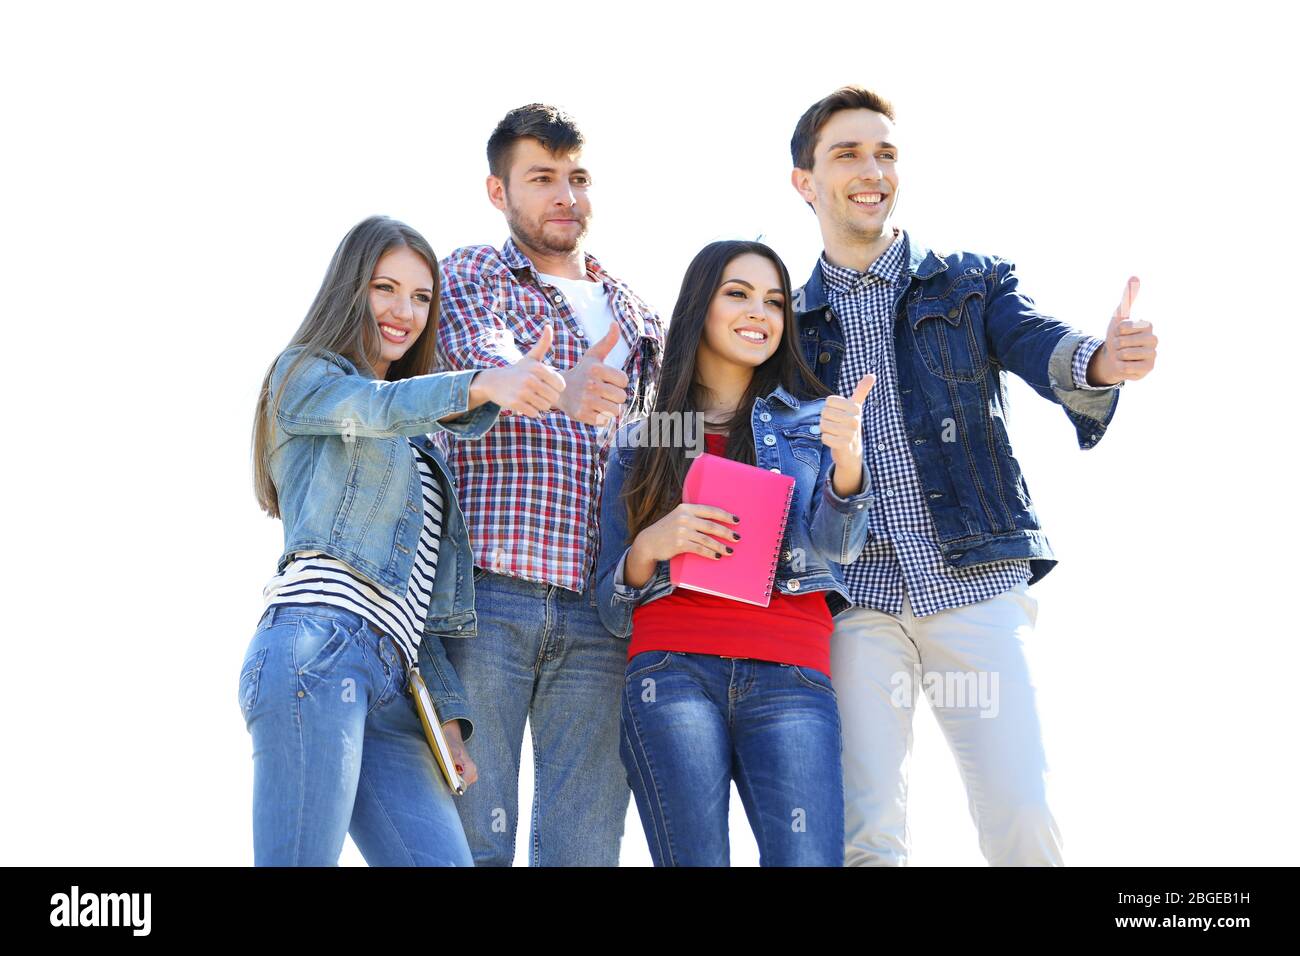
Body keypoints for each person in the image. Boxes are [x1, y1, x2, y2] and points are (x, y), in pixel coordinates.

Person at [787, 86, 1159, 866]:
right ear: (805, 180)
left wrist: (1100, 359)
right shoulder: (790, 323)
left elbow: (1038, 341)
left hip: (974, 586)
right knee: (868, 835)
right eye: (848, 153)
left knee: (1021, 811)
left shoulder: (966, 285)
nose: (872, 170)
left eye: (886, 153)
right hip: (859, 604)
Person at [240, 214, 561, 865]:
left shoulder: (421, 445)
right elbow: (373, 408)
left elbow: (416, 604)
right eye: (386, 289)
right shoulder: (304, 378)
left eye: (421, 298)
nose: (404, 311)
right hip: (318, 648)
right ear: (351, 291)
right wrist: (480, 383)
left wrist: (445, 718)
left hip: (395, 689)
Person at [432, 104, 665, 866]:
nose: (566, 195)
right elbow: (482, 359)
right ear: (500, 193)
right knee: (474, 840)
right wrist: (560, 389)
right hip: (489, 599)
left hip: (604, 612)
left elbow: (667, 436)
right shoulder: (472, 271)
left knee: (585, 848)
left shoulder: (636, 313)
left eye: (578, 178)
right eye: (542, 179)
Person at [595, 240, 876, 866]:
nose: (761, 312)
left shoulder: (813, 423)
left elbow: (841, 546)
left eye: (775, 301)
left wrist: (849, 466)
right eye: (739, 293)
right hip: (671, 673)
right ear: (701, 305)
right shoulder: (643, 437)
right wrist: (649, 546)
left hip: (792, 674)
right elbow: (610, 608)